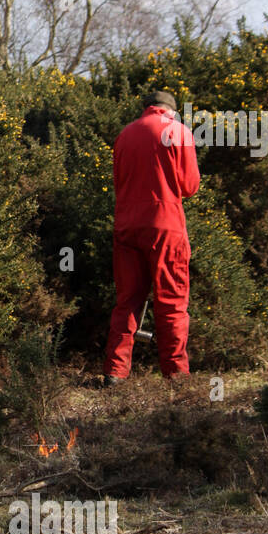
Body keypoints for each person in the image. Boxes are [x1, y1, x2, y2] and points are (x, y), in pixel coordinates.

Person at [103, 91, 200, 385]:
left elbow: (118, 181)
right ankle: (176, 375)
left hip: (126, 227)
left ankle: (114, 373)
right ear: (170, 111)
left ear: (148, 108)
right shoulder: (178, 131)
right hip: (165, 227)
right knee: (171, 302)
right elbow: (190, 185)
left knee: (127, 302)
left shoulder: (125, 135)